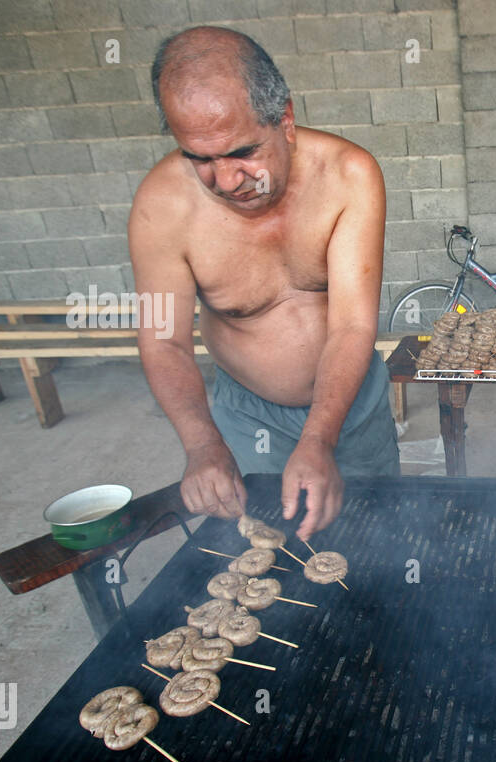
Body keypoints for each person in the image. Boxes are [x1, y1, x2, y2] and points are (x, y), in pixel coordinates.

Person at [129, 26, 398, 541]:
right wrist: (202, 445)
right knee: (276, 556)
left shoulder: (348, 175)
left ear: (286, 120)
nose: (227, 180)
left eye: (242, 151)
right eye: (200, 159)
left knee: (382, 534)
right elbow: (163, 339)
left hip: (354, 401)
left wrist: (319, 438)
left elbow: (352, 324)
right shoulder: (160, 206)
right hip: (251, 415)